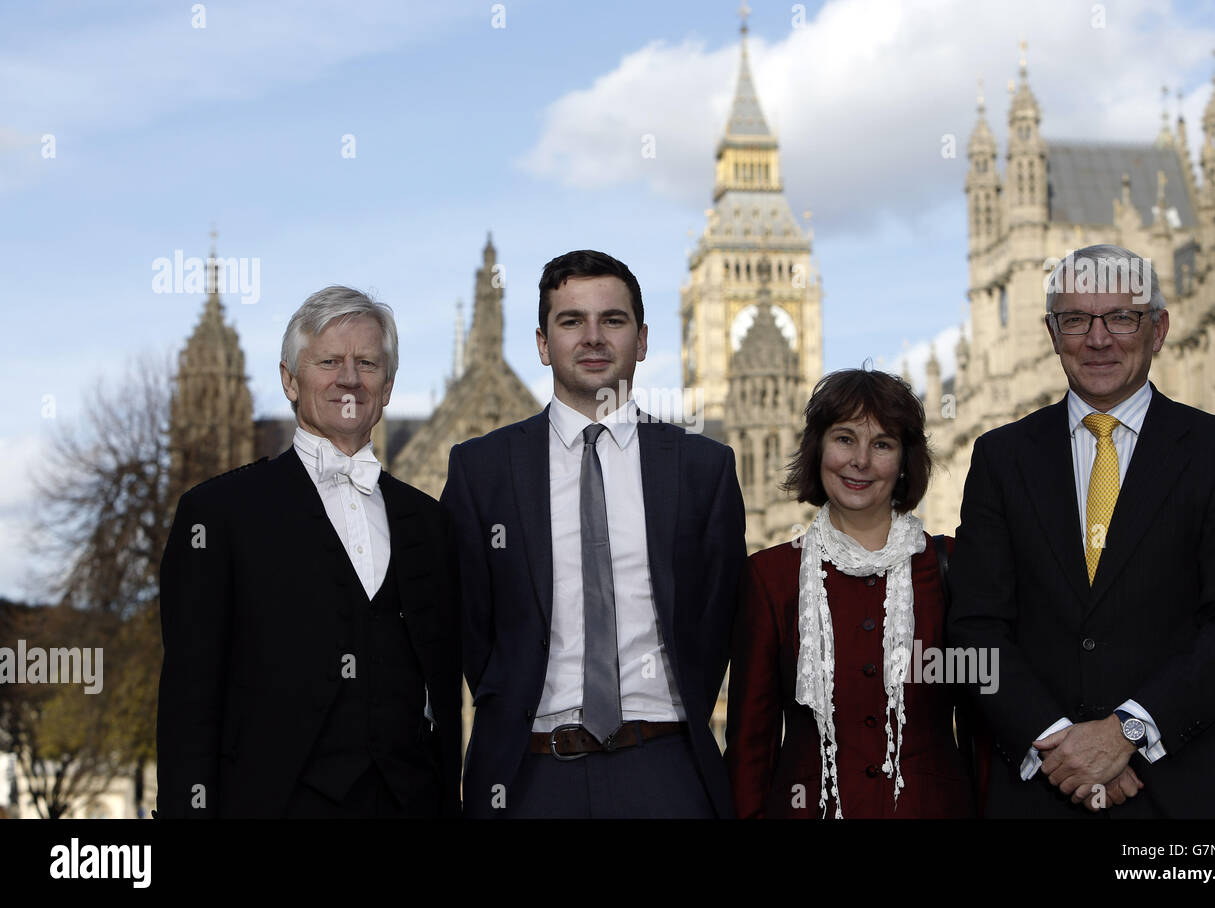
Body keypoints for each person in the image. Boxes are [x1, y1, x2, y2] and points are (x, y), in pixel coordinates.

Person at [947, 244, 1215, 818]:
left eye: (1122, 317)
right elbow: (976, 630)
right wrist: (1061, 747)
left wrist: (1125, 734)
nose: (1098, 340)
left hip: (1179, 800)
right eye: (1076, 320)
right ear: (1053, 333)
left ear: (1159, 328)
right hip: (1038, 795)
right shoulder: (1000, 458)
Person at [441, 249, 746, 818]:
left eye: (613, 320)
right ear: (541, 343)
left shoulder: (704, 469)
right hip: (528, 776)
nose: (593, 338)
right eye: (571, 321)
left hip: (666, 768)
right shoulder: (479, 470)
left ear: (643, 339)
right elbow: (467, 630)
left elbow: (719, 623)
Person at [156, 287, 461, 818]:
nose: (349, 378)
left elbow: (445, 689)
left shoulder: (430, 522)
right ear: (290, 380)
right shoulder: (218, 514)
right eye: (328, 361)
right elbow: (190, 699)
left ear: (386, 387)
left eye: (366, 362)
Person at [725, 369, 974, 818]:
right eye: (844, 439)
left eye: (882, 444)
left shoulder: (952, 567)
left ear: (903, 462)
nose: (860, 460)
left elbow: (985, 726)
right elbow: (750, 745)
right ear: (817, 449)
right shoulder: (771, 577)